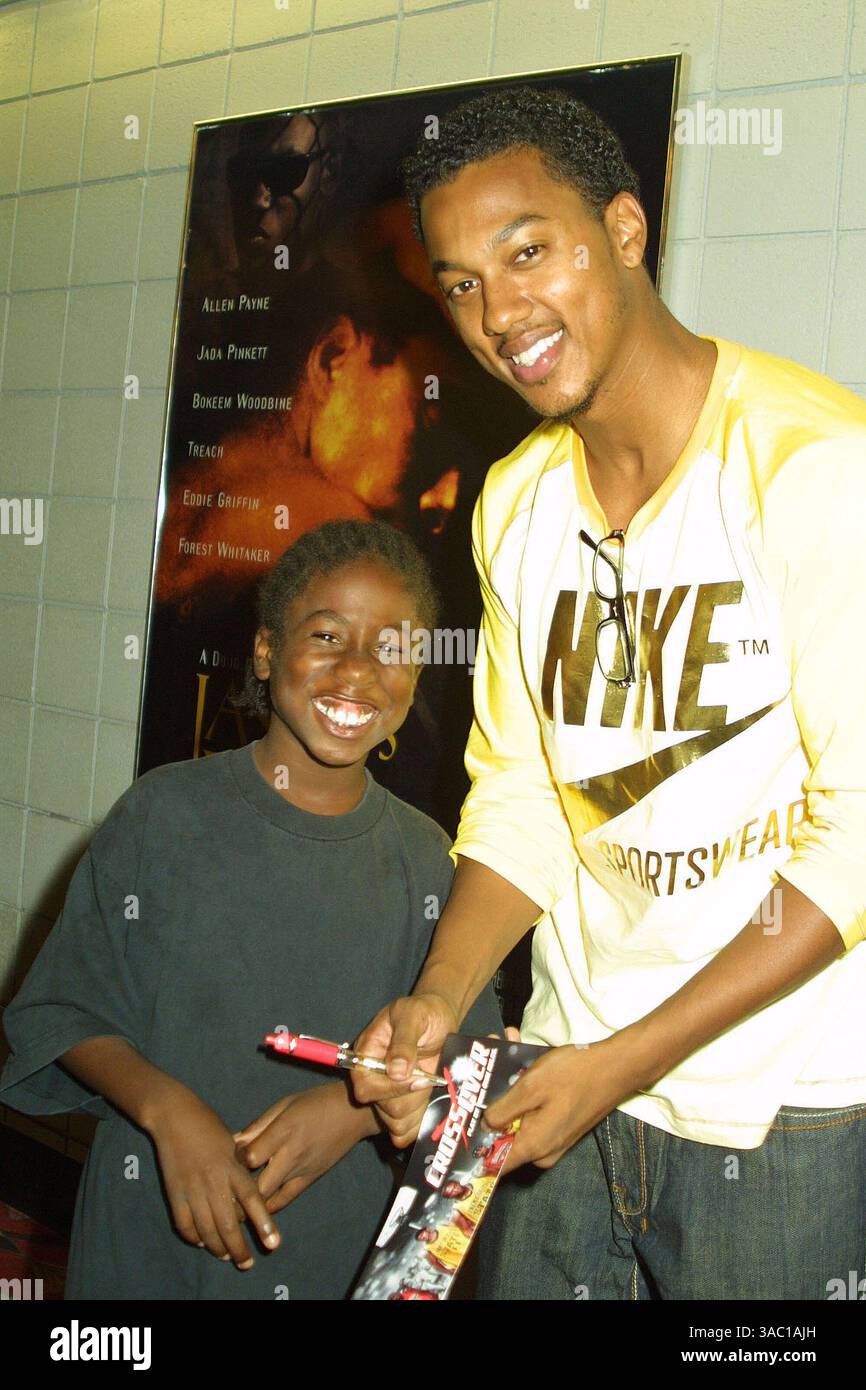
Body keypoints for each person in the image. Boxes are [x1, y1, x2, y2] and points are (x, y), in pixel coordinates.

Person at [350, 86, 866, 1300]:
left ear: (624, 231)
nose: (497, 313)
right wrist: (439, 999)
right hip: (560, 1070)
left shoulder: (812, 470)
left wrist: (621, 1064)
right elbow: (522, 797)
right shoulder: (517, 502)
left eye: (528, 250)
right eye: (461, 281)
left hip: (777, 1110)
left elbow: (854, 845)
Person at [0, 520, 501, 1299]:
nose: (359, 671)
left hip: (334, 1244)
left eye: (393, 648)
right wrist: (169, 1114)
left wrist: (352, 1114)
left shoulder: (429, 863)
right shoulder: (163, 815)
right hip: (152, 1234)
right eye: (328, 635)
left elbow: (468, 1072)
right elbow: (63, 1009)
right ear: (267, 651)